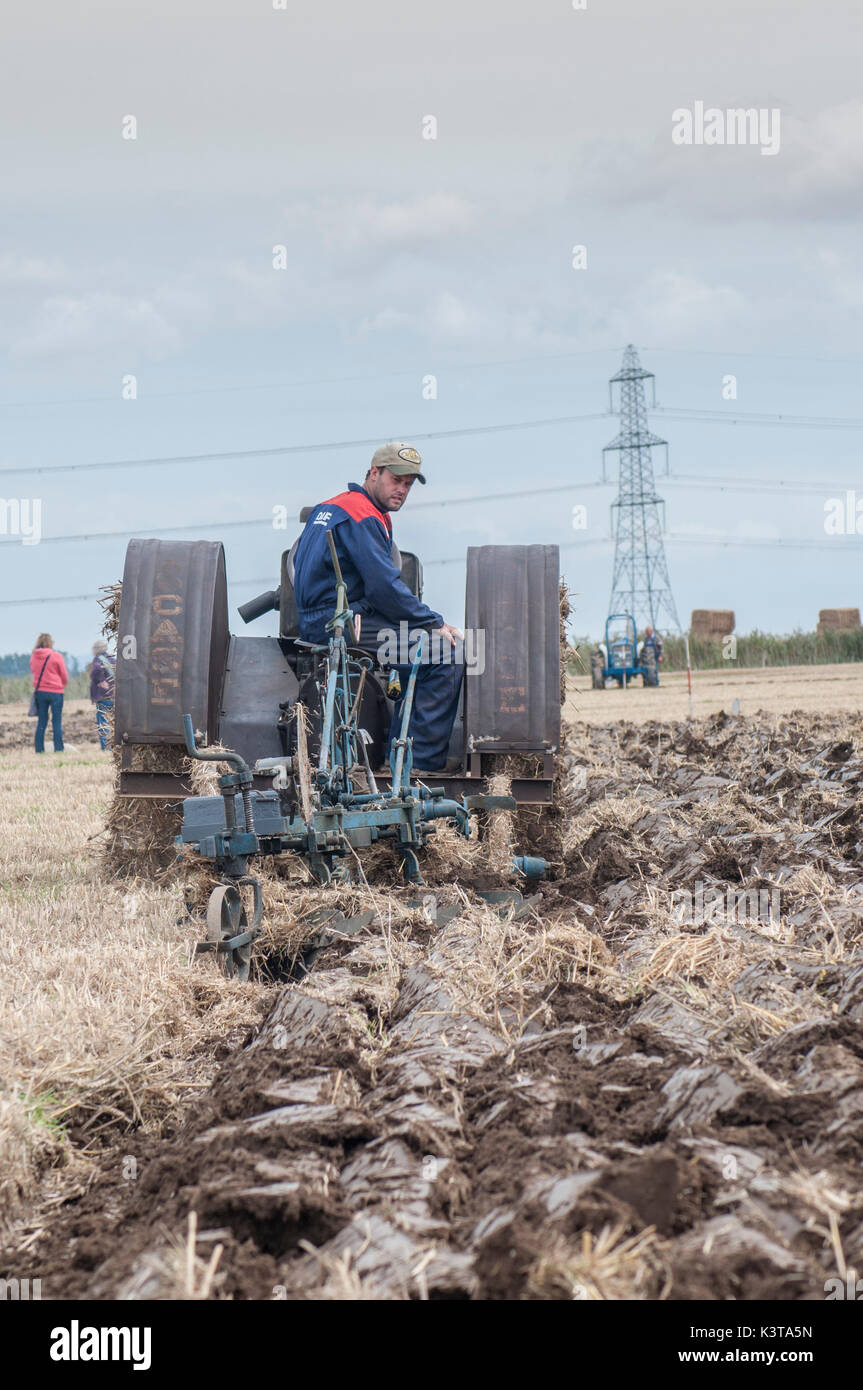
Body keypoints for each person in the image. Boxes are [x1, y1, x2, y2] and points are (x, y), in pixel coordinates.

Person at [292, 442, 463, 772]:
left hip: (323, 617)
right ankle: (416, 765)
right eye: (396, 480)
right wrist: (433, 621)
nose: (402, 489)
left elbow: (303, 564)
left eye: (408, 484)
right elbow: (385, 588)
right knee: (447, 653)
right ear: (374, 473)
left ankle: (396, 751)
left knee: (413, 644)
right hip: (339, 623)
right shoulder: (363, 515)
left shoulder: (330, 507)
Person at [30, 633, 68, 753]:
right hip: (56, 691)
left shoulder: (34, 657)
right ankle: (58, 748)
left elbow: (33, 670)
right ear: (50, 642)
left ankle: (39, 749)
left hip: (40, 691)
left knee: (42, 721)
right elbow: (64, 675)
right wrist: (62, 685)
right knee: (56, 721)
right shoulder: (56, 656)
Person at [89, 639, 116, 750]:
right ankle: (116, 745)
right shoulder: (112, 659)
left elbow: (96, 670)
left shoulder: (97, 660)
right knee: (115, 722)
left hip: (103, 696)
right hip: (115, 695)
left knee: (103, 722)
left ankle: (106, 747)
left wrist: (100, 680)